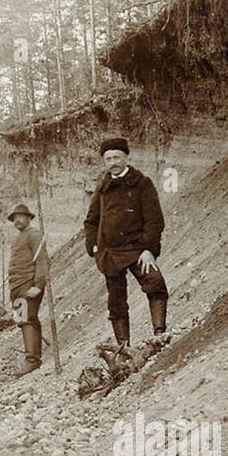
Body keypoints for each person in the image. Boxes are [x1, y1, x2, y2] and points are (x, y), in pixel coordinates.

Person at [83, 136, 169, 349]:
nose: (112, 162)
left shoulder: (142, 183)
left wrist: (149, 249)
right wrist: (93, 246)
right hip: (110, 254)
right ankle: (124, 347)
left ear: (126, 158)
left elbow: (154, 220)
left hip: (138, 250)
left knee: (155, 283)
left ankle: (159, 334)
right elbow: (91, 220)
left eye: (117, 157)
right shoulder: (103, 188)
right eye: (108, 158)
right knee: (116, 303)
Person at [7, 203, 49, 376]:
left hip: (27, 285)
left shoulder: (34, 235)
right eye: (15, 218)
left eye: (21, 216)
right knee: (26, 319)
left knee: (26, 319)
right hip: (17, 286)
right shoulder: (19, 238)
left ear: (29, 218)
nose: (18, 220)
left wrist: (38, 286)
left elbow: (42, 261)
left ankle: (32, 360)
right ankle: (34, 357)